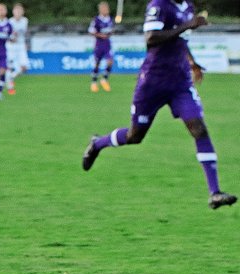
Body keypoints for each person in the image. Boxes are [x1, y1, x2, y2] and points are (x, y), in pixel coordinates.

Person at [82, 1, 235, 209]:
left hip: (180, 82)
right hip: (153, 82)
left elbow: (181, 41)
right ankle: (97, 144)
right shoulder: (159, 5)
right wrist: (187, 25)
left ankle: (214, 192)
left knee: (199, 129)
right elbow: (151, 39)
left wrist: (192, 63)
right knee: (135, 136)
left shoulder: (186, 6)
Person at [89, 2, 115, 92]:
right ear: (100, 9)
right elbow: (91, 31)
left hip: (107, 44)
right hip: (99, 44)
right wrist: (100, 35)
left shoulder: (110, 19)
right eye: (104, 8)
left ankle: (104, 79)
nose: (106, 10)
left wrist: (111, 32)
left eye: (106, 8)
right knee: (97, 63)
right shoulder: (96, 20)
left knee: (110, 61)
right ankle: (94, 82)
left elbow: (111, 30)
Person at [5, 3, 28, 94]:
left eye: (20, 11)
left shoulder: (25, 21)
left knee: (24, 67)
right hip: (11, 47)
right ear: (13, 12)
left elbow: (23, 33)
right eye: (16, 11)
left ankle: (11, 77)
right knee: (9, 67)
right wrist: (11, 38)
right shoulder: (9, 21)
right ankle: (10, 87)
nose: (18, 12)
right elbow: (6, 34)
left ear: (22, 12)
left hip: (21, 46)